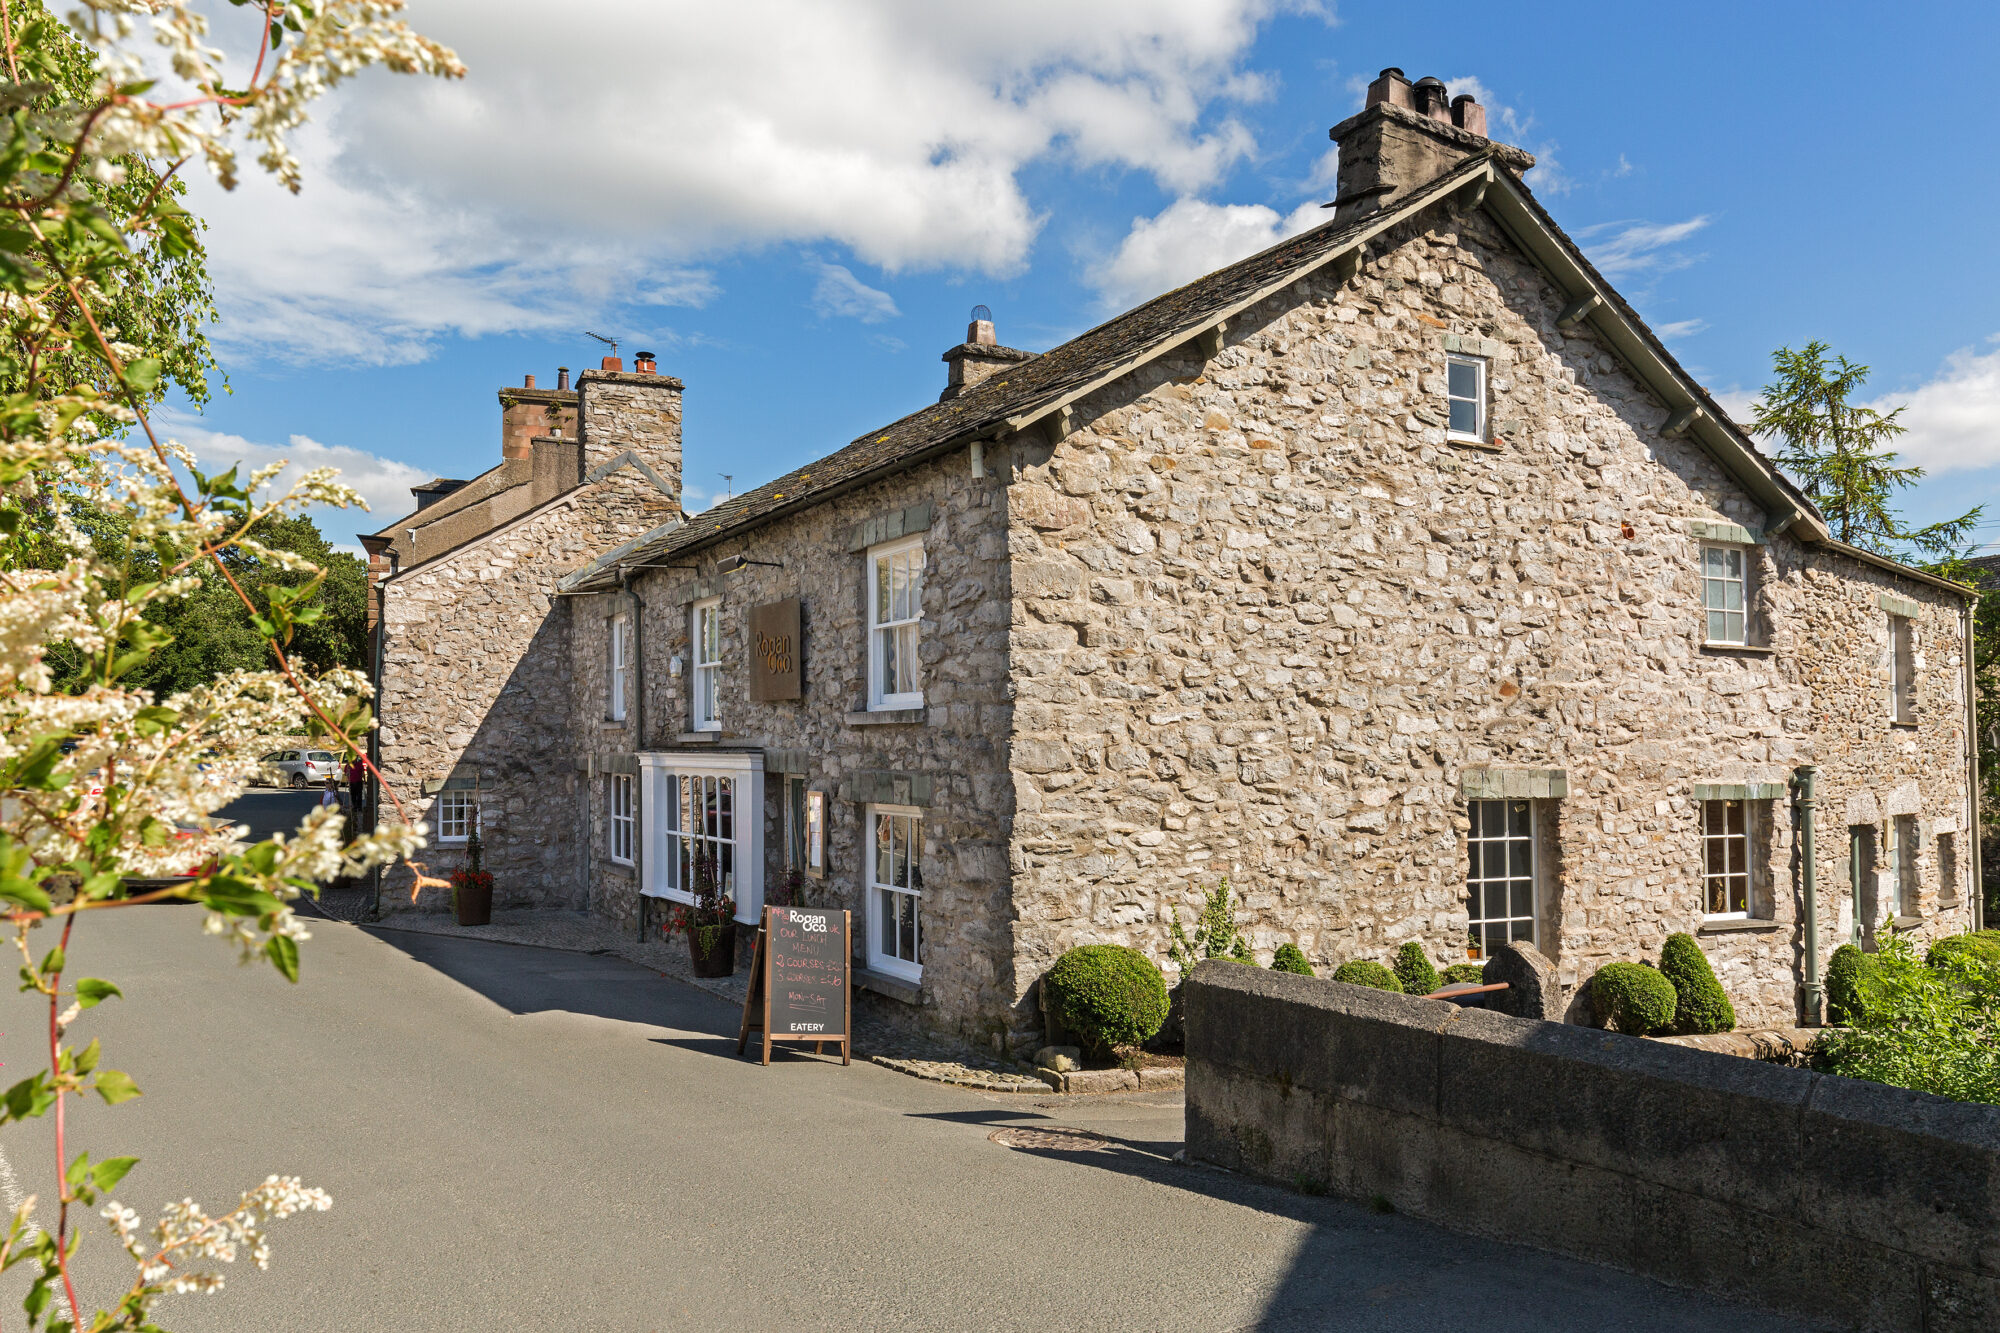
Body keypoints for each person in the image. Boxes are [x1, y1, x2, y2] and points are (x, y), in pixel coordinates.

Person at [345, 754, 367, 828]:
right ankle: (354, 807)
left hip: (358, 782)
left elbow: (362, 772)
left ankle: (359, 807)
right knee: (353, 795)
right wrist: (347, 773)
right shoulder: (348, 765)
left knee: (359, 795)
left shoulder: (359, 764)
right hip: (352, 782)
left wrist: (364, 779)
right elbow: (346, 773)